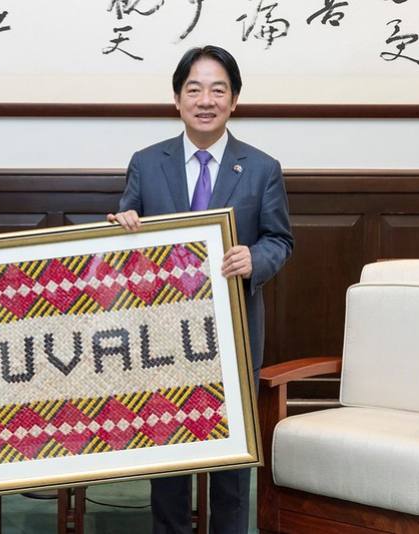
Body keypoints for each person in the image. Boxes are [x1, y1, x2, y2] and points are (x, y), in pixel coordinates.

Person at [107, 45, 293, 534]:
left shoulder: (261, 167)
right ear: (176, 98)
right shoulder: (147, 163)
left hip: (233, 333)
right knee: (166, 457)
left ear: (234, 100)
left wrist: (256, 258)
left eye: (218, 89)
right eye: (194, 89)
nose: (205, 99)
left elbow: (280, 239)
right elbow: (127, 230)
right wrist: (122, 225)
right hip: (162, 336)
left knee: (232, 461)